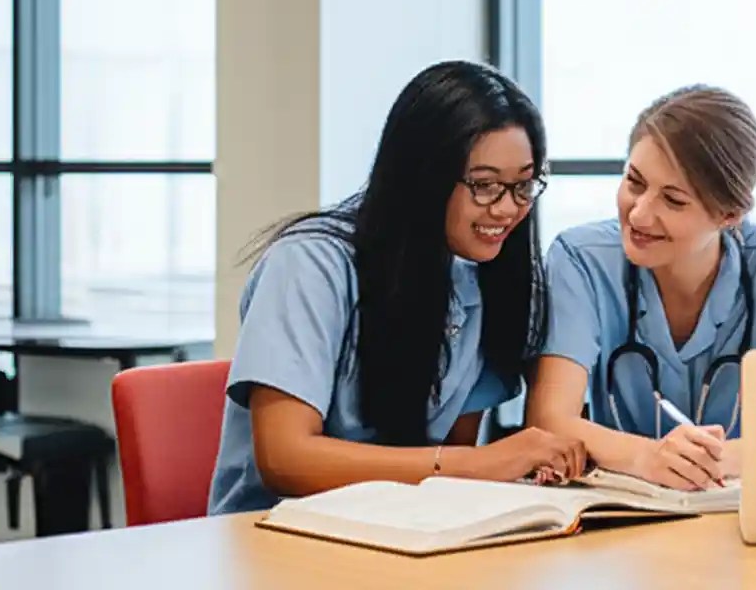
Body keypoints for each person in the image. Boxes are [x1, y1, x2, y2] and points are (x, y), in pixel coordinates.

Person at [208, 61, 586, 515]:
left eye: (523, 185)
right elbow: (285, 460)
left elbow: (453, 466)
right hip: (273, 539)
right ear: (423, 177)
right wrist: (477, 464)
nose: (507, 209)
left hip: (404, 534)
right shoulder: (309, 266)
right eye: (484, 186)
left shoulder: (486, 278)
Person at [526, 85, 756, 491]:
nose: (639, 214)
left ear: (730, 214)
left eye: (673, 201)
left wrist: (704, 460)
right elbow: (548, 420)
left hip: (750, 515)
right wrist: (647, 457)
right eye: (634, 183)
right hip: (621, 517)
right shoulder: (582, 260)